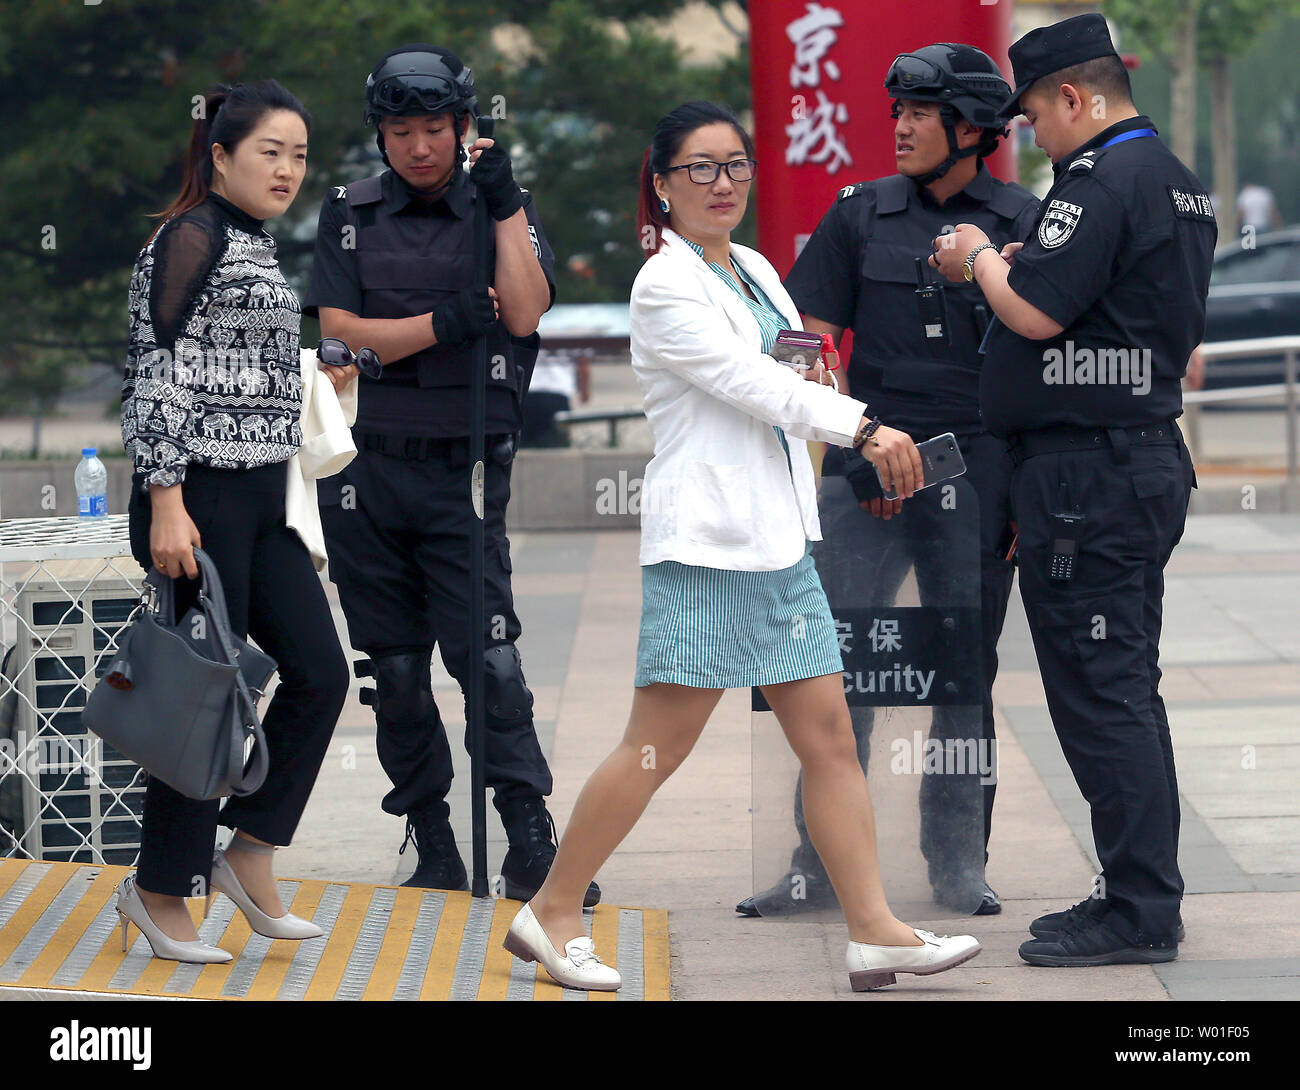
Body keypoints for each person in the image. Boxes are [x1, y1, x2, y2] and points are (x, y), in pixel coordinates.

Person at [503, 101, 982, 993]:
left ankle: (874, 931)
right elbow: (747, 381)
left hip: (778, 543)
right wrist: (861, 425)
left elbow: (792, 368)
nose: (721, 184)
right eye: (699, 168)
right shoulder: (664, 284)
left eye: (735, 165)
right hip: (710, 546)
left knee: (830, 739)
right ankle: (554, 907)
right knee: (656, 746)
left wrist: (824, 391)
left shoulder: (755, 267)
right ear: (662, 184)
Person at [930, 13, 1215, 965]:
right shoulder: (1175, 181)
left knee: (1102, 691)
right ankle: (1136, 890)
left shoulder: (1099, 181)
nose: (1033, 135)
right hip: (1128, 461)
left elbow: (1037, 316)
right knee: (1122, 684)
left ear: (1075, 97)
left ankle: (1139, 909)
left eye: (1036, 117)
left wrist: (978, 259)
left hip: (1089, 476)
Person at [739, 42, 1039, 921]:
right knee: (834, 666)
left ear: (971, 128)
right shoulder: (858, 213)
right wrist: (849, 445)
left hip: (978, 475)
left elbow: (1040, 357)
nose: (900, 127)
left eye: (920, 113)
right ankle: (818, 864)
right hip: (866, 469)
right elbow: (806, 345)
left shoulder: (1022, 221)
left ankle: (957, 864)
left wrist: (1021, 494)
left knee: (963, 673)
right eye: (897, 111)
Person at [303, 44, 597, 904]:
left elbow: (526, 312)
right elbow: (339, 337)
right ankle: (431, 838)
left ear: (464, 126)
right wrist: (440, 323)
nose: (420, 146)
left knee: (490, 661)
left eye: (435, 128)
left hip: (463, 471)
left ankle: (529, 839)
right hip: (364, 471)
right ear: (380, 135)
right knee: (394, 670)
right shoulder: (350, 212)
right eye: (401, 131)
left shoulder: (500, 204)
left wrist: (502, 205)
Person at [118, 80, 349, 963]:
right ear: (220, 156)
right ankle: (158, 891)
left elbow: (231, 361)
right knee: (204, 699)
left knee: (320, 674)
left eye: (299, 155)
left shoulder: (252, 240)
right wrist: (166, 498)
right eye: (269, 152)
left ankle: (248, 853)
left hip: (261, 497)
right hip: (197, 499)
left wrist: (313, 376)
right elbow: (157, 369)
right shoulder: (188, 236)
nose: (287, 169)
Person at [521, 345, 591, 447]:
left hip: (528, 390)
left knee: (522, 446)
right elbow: (583, 363)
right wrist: (584, 392)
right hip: (558, 392)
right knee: (556, 447)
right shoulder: (573, 334)